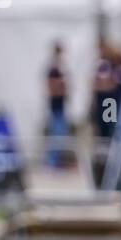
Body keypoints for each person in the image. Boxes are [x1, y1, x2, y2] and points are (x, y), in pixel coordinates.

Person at [45, 41, 70, 169]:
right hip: (56, 107)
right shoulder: (53, 69)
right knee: (56, 134)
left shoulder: (60, 68)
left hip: (60, 106)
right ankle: (51, 162)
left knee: (60, 134)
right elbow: (52, 88)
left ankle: (55, 161)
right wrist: (62, 87)